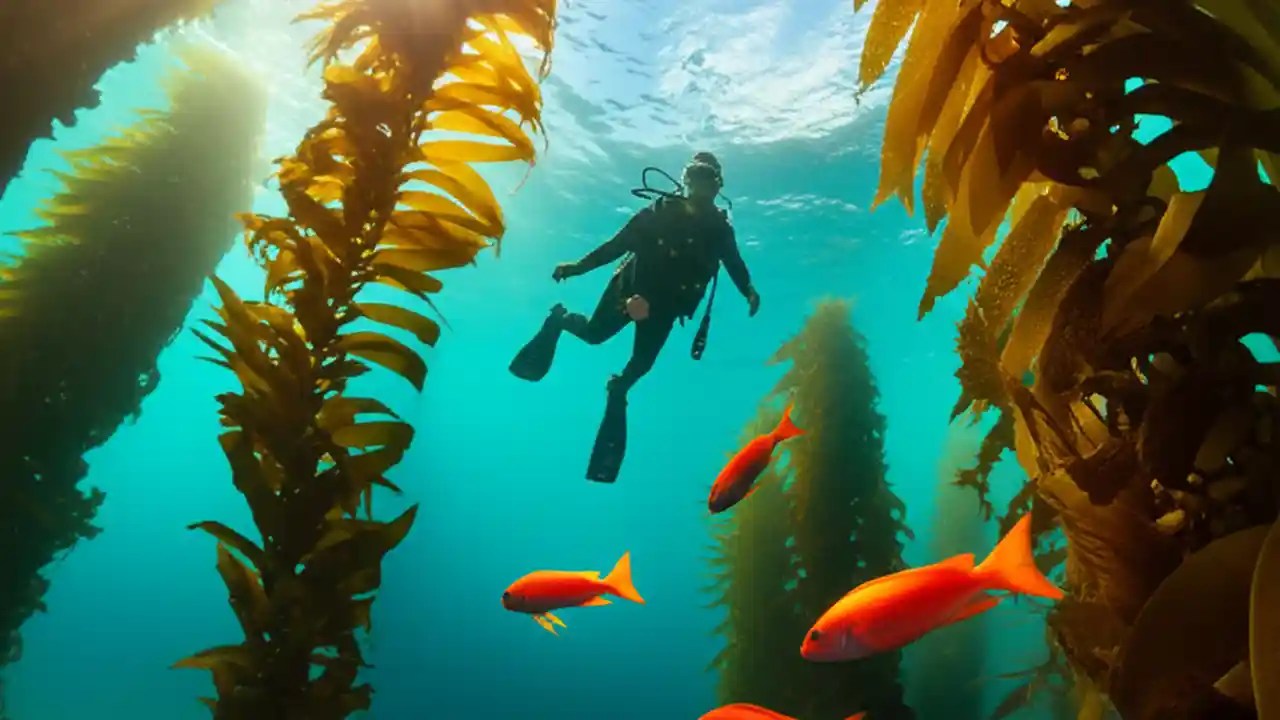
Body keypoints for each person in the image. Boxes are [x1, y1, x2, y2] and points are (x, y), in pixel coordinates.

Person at [509, 151, 761, 483]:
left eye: (708, 178)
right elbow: (617, 245)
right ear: (686, 180)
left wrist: (748, 290)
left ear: (718, 186)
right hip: (628, 291)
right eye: (695, 176)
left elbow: (734, 262)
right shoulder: (659, 213)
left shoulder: (719, 229)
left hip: (666, 307)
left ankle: (618, 388)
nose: (701, 185)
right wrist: (577, 268)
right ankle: (559, 320)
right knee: (594, 335)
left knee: (641, 365)